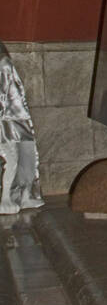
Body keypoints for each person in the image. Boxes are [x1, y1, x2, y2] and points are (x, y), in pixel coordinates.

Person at [0, 44, 42, 214]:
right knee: (11, 158)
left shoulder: (5, 63)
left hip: (19, 116)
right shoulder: (4, 65)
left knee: (27, 154)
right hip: (6, 118)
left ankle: (23, 194)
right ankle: (6, 197)